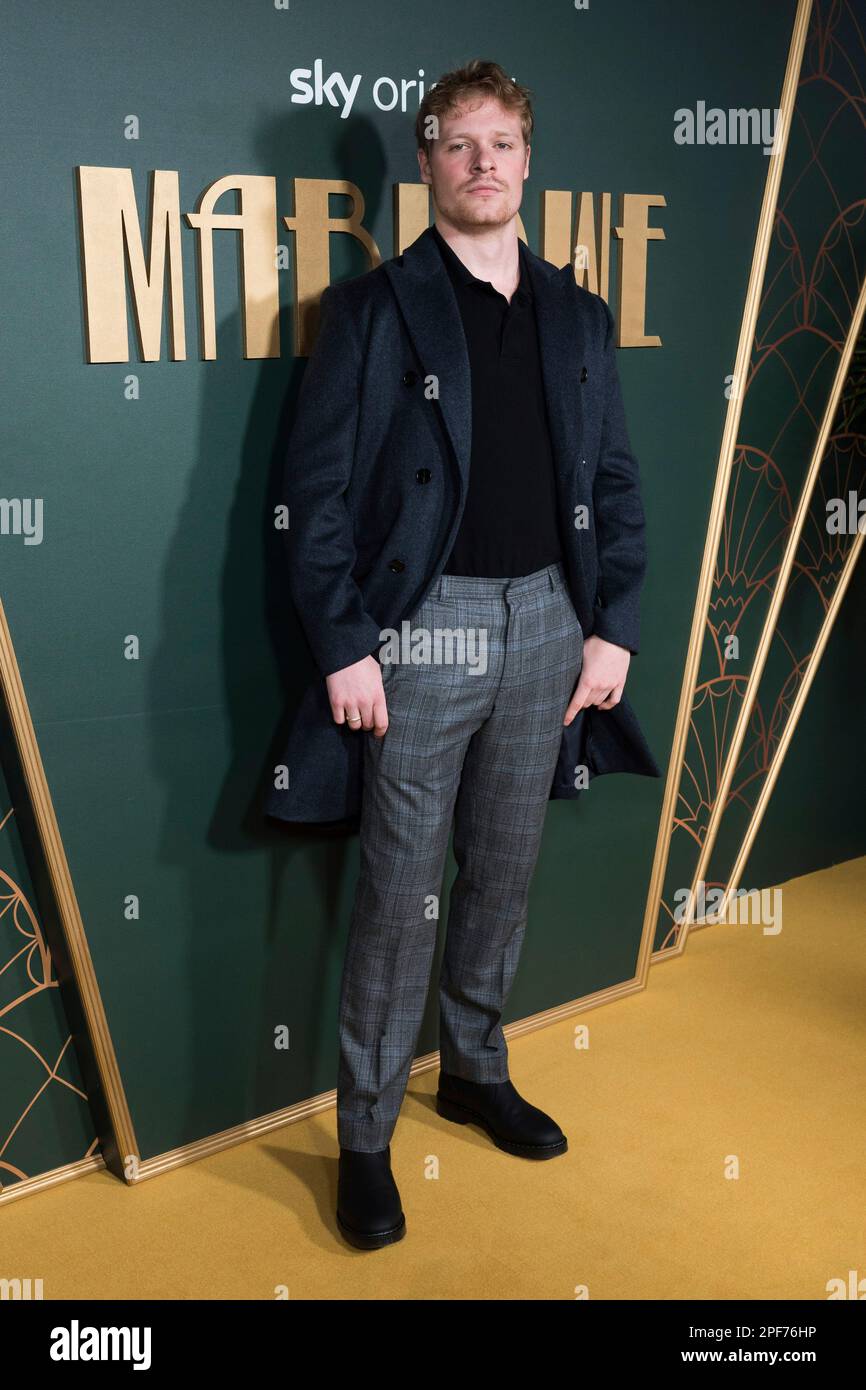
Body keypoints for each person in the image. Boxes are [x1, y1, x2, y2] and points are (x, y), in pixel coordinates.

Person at [270, 59, 649, 1249]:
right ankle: (367, 1135)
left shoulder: (577, 315)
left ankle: (473, 1067)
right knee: (395, 890)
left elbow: (614, 484)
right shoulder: (376, 311)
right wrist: (344, 646)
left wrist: (612, 625)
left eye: (502, 142)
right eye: (457, 143)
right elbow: (313, 493)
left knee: (504, 865)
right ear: (426, 164)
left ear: (527, 163)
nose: (482, 160)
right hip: (418, 632)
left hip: (548, 620)